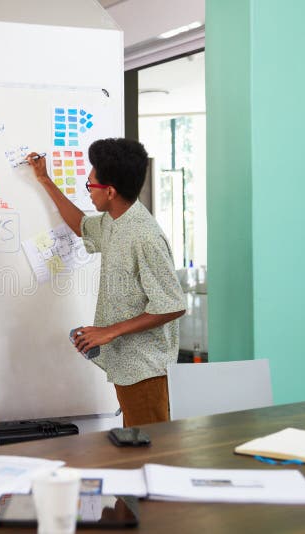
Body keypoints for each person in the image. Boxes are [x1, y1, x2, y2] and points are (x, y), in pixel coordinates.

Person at [27, 138, 185, 426]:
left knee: (150, 449)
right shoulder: (115, 219)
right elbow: (81, 226)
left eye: (90, 187)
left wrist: (109, 332)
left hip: (145, 368)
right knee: (136, 444)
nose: (88, 193)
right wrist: (45, 180)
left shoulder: (144, 236)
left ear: (110, 191)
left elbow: (172, 305)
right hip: (127, 364)